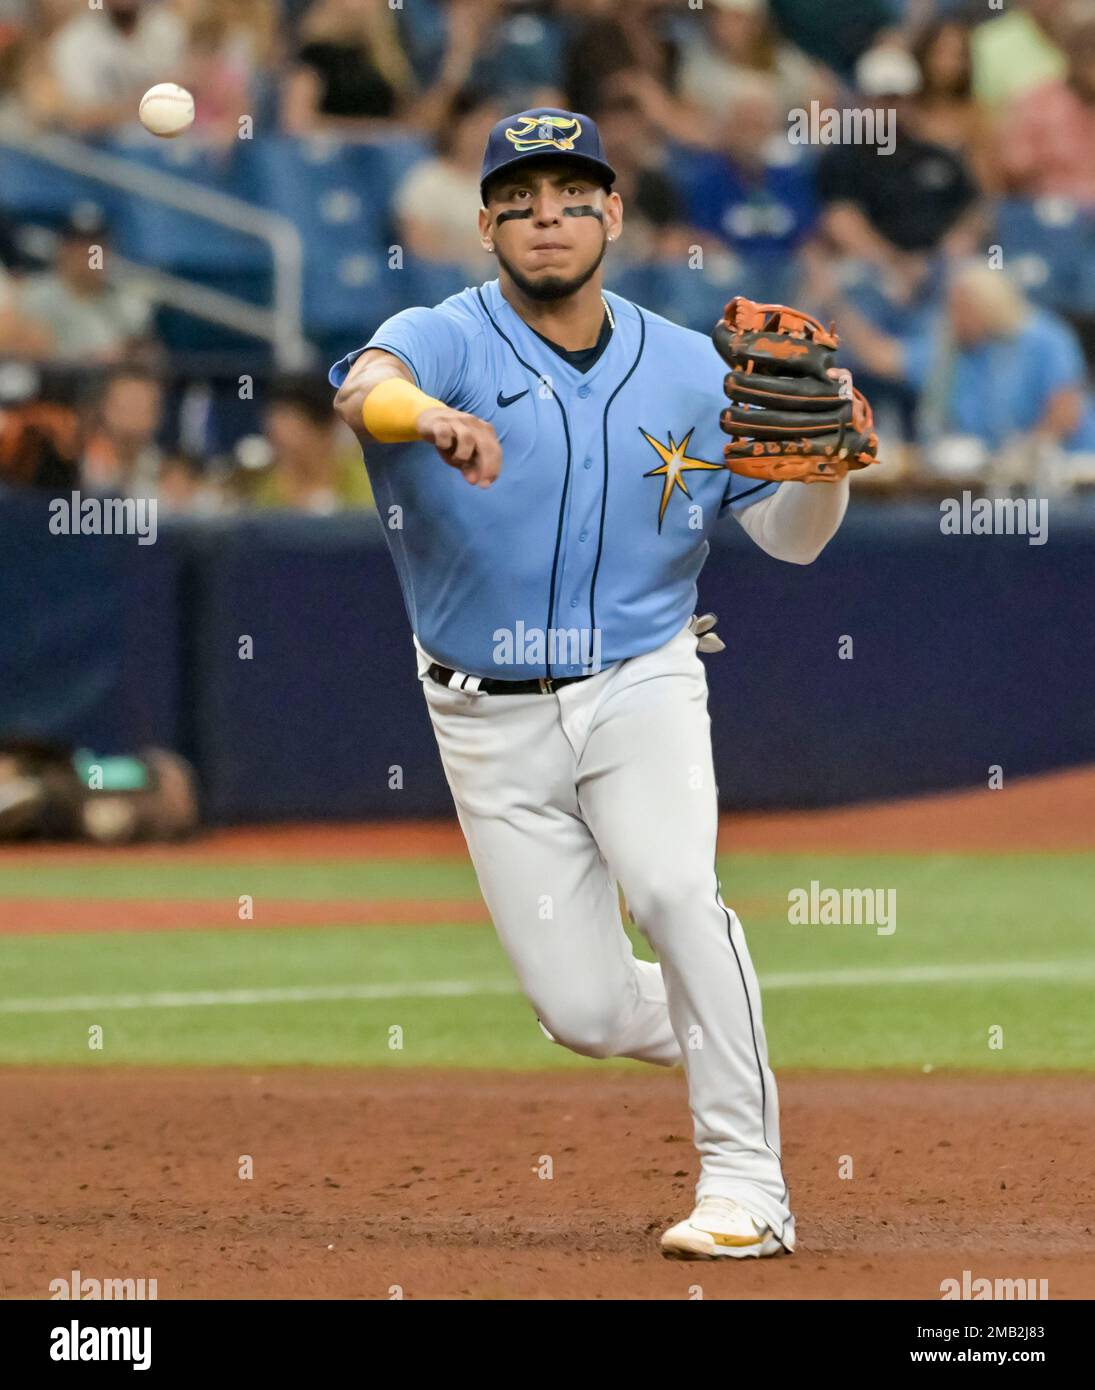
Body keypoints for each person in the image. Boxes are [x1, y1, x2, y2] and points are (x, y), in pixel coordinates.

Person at [330, 106, 873, 1261]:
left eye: (573, 194)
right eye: (520, 200)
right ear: (484, 224)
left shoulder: (689, 364)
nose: (547, 217)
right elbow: (360, 388)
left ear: (614, 213)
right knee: (580, 1011)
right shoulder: (445, 337)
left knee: (679, 892)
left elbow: (792, 541)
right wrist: (423, 414)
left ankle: (749, 1188)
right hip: (480, 712)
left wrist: (823, 474)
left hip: (644, 677)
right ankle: (724, 1017)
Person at [810, 260, 1095, 459]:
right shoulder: (948, 349)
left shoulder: (1045, 337)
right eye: (952, 308)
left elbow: (1065, 412)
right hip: (987, 476)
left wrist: (1028, 451)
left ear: (990, 305)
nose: (954, 318)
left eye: (963, 308)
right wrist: (835, 302)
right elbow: (880, 356)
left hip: (1067, 468)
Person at [15, 210, 155, 365]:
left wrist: (125, 353)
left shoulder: (128, 303)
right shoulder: (34, 294)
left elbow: (146, 356)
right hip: (51, 381)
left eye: (95, 248)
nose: (87, 255)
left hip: (106, 381)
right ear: (63, 250)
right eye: (79, 247)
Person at [26, 0, 188, 135]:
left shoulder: (167, 28)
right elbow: (81, 119)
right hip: (101, 155)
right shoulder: (75, 40)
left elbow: (191, 89)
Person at [997, 3, 1095, 204]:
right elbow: (1013, 172)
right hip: (1053, 216)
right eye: (1087, 49)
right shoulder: (1037, 103)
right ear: (1070, 53)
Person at [252, 374, 373, 512]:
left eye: (292, 433)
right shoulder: (265, 495)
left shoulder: (370, 486)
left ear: (326, 427)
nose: (282, 448)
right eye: (274, 439)